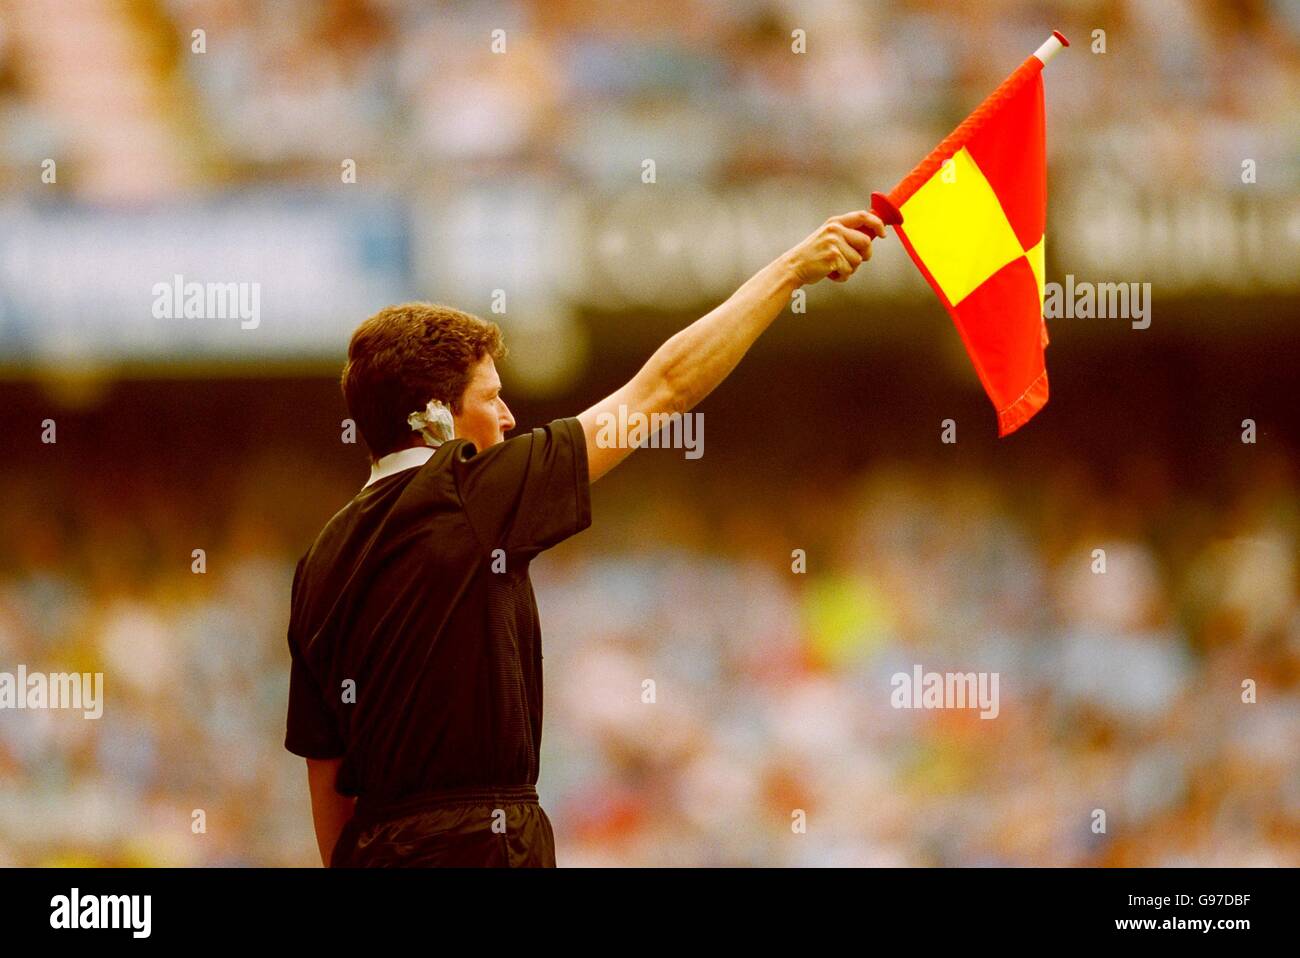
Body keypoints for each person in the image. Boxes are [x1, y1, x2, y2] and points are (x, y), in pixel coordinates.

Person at [283, 210, 885, 866]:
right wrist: (791, 270)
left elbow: (325, 767)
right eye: (491, 398)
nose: (510, 419)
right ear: (434, 419)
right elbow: (662, 391)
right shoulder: (466, 492)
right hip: (480, 843)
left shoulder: (319, 561)